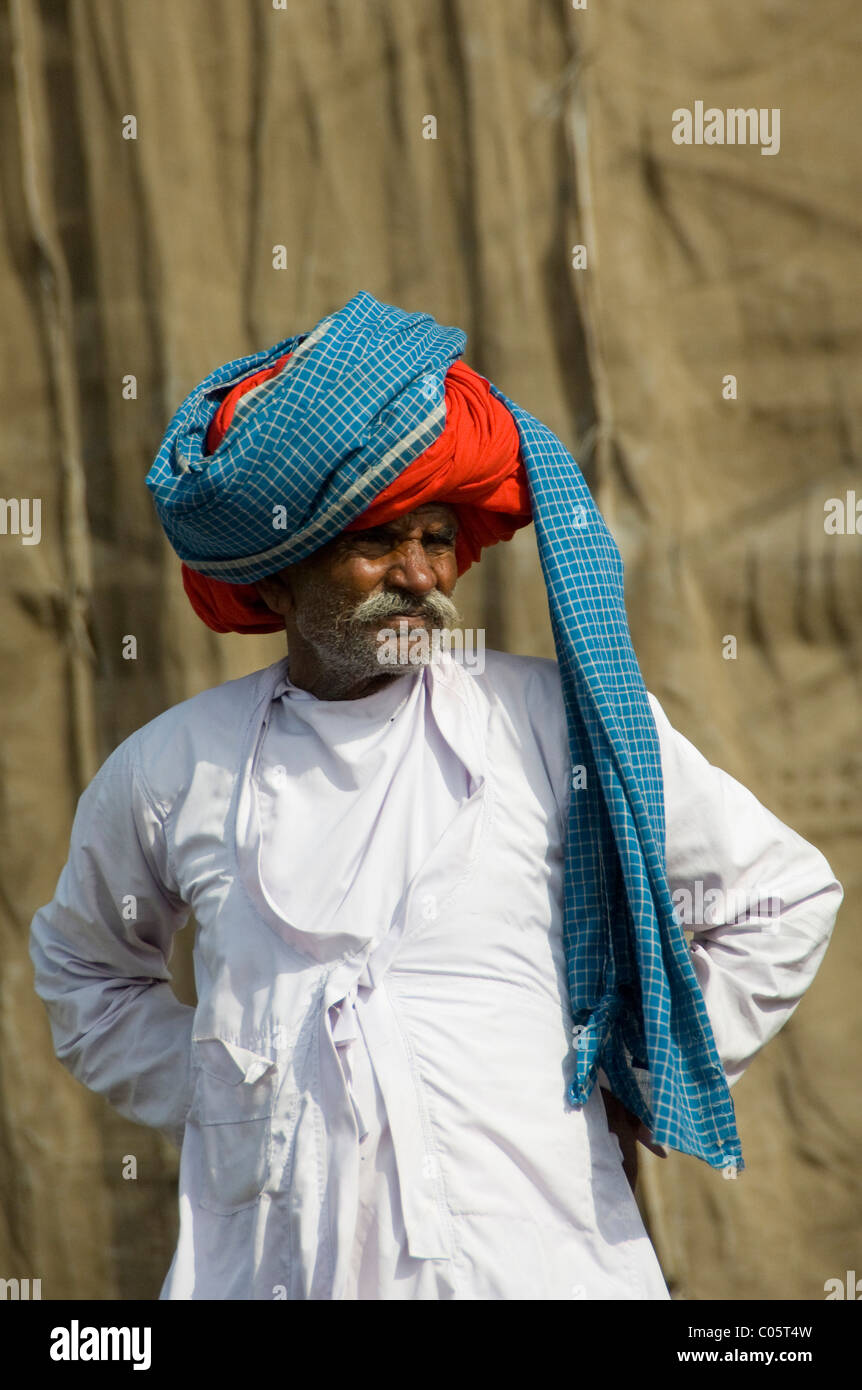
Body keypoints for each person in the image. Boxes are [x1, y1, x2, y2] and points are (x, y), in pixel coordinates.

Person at [30, 292, 842, 1300]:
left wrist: (645, 1065)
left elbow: (781, 897)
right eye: (377, 540)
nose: (419, 575)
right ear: (276, 579)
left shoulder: (554, 721)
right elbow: (83, 971)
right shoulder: (170, 769)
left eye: (437, 538)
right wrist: (227, 1081)